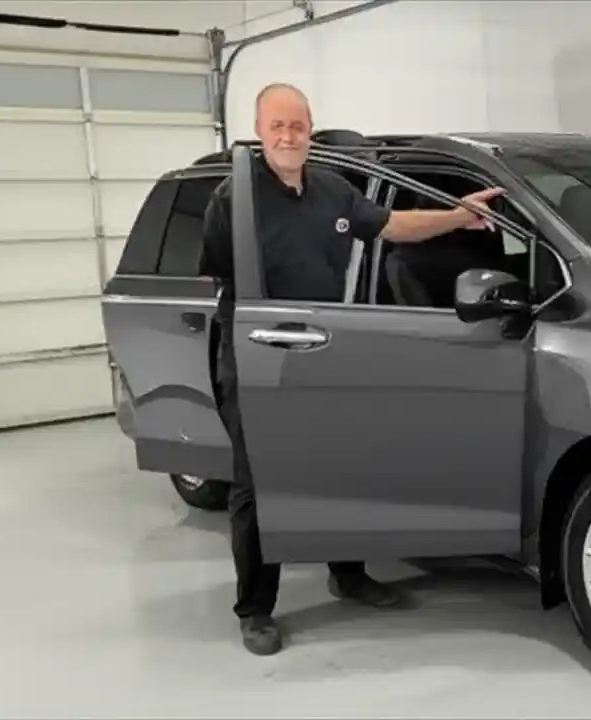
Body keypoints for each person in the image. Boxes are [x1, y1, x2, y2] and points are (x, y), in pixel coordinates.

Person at [200, 82, 504, 656]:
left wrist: (456, 219)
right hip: (261, 350)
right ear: (260, 130)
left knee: (339, 461)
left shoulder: (333, 189)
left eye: (298, 126)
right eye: (277, 127)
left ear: (310, 128)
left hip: (326, 345)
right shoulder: (232, 198)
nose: (288, 136)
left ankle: (349, 573)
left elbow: (392, 225)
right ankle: (255, 609)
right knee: (257, 482)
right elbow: (216, 276)